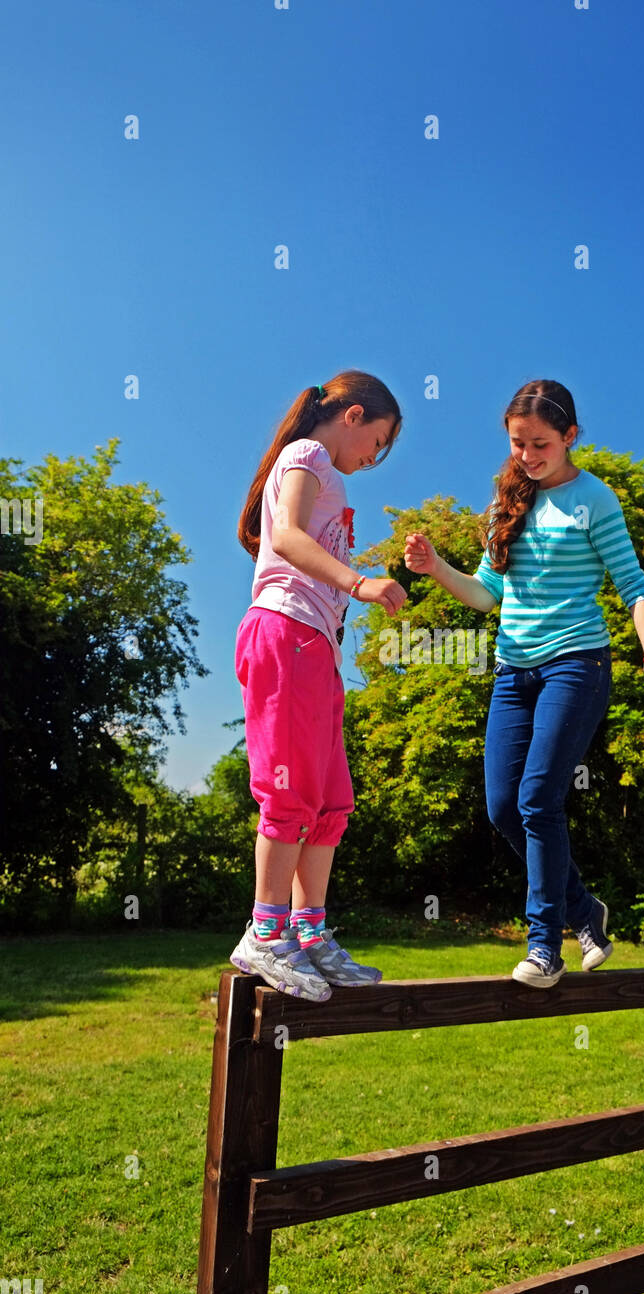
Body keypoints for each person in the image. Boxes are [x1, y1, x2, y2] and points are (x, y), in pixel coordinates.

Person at [404, 379, 644, 988]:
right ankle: (586, 911)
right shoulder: (506, 501)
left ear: (569, 437)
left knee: (538, 798)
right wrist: (437, 568)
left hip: (575, 664)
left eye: (539, 444)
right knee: (504, 806)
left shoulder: (596, 500)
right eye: (517, 444)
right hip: (513, 670)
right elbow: (488, 595)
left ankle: (545, 945)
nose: (528, 456)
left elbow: (635, 588)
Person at [231, 370, 407, 1000]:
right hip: (283, 632)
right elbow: (285, 537)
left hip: (317, 650)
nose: (373, 458)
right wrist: (359, 582)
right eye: (377, 441)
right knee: (290, 791)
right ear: (354, 415)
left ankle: (308, 932)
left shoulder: (329, 473)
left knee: (331, 800)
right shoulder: (305, 455)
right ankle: (264, 932)